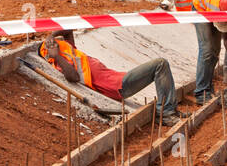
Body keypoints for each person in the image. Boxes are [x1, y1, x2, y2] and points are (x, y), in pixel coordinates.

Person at [40, 31, 185, 126]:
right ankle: (166, 114)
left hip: (118, 78)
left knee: (160, 65)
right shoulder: (62, 63)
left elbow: (68, 31)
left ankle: (169, 109)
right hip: (118, 85)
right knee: (160, 64)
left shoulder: (71, 52)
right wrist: (56, 55)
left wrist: (51, 35)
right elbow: (73, 77)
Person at [159, 0, 215, 102]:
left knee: (213, 52)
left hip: (202, 17)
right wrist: (166, 6)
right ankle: (202, 91)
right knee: (206, 51)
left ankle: (208, 87)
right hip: (192, 19)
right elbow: (168, 0)